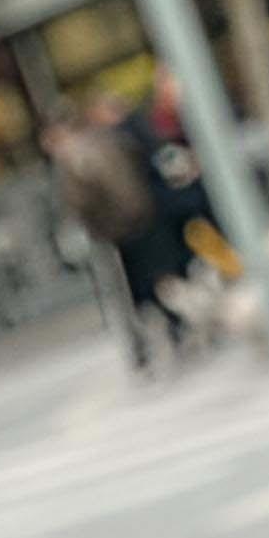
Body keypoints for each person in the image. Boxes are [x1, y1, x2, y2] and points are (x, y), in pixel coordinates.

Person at [49, 104, 194, 371]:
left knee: (149, 284)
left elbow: (115, 192)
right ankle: (161, 335)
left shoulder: (92, 153)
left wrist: (119, 222)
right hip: (124, 229)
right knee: (141, 289)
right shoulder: (93, 151)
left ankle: (171, 331)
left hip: (128, 227)